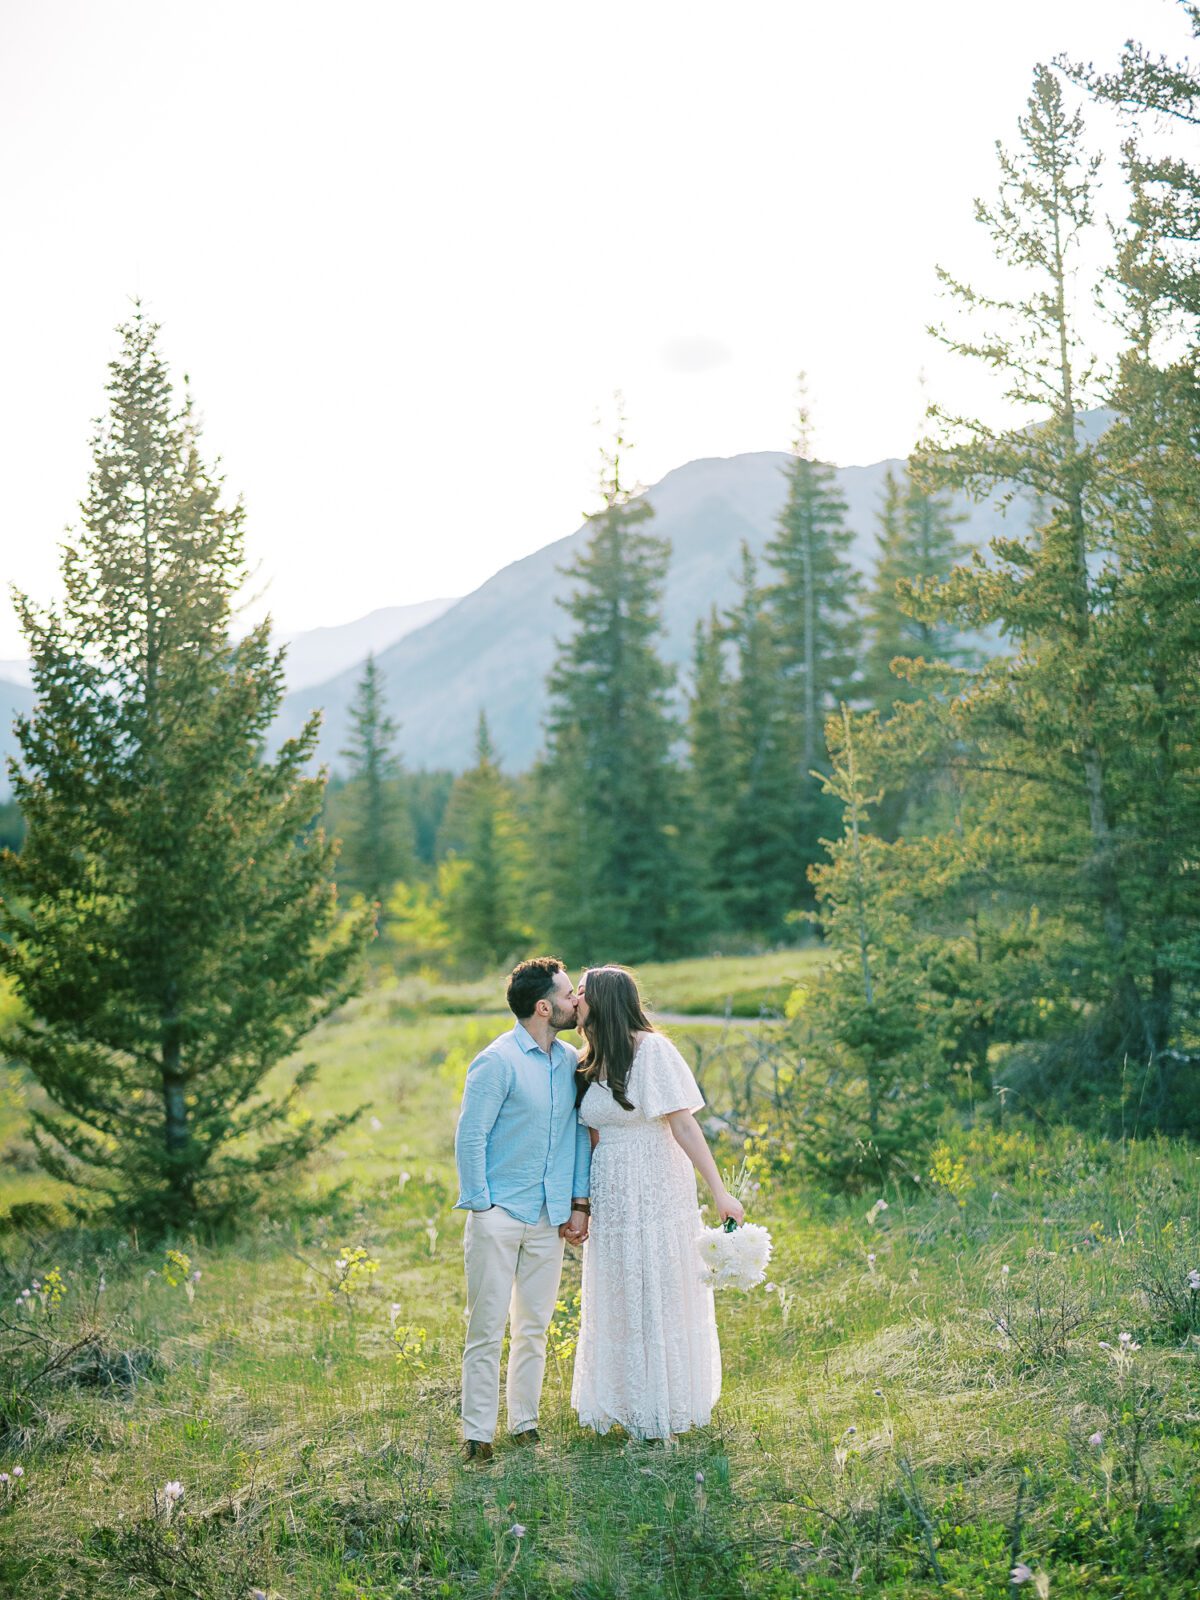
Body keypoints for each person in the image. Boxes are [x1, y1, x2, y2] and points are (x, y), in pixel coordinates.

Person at [570, 964, 744, 1442]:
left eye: (581, 993)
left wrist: (719, 1190)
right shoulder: (588, 1059)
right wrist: (581, 1205)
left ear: (603, 999)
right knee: (622, 1290)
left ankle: (664, 1402)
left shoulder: (653, 1051)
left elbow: (684, 1125)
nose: (573, 1001)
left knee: (660, 1284)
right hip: (613, 1190)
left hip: (656, 1183)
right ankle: (624, 1400)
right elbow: (589, 1135)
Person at [453, 956, 592, 1464]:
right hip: (498, 1214)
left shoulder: (568, 1060)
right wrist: (483, 1205)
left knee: (534, 1324)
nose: (574, 1001)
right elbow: (470, 1137)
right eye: (565, 993)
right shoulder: (496, 1061)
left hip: (548, 1217)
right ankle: (477, 1434)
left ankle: (525, 1422)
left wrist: (578, 1205)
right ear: (543, 1007)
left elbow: (578, 1139)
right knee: (486, 1325)